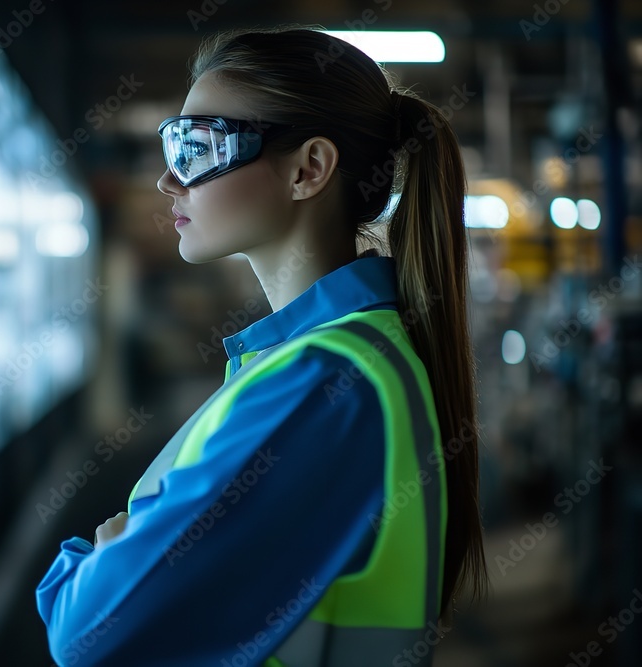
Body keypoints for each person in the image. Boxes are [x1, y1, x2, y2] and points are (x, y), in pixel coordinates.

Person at [37, 26, 487, 667]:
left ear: (308, 170)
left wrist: (94, 560)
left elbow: (84, 631)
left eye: (198, 147)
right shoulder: (334, 359)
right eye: (173, 145)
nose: (168, 180)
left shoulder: (322, 384)